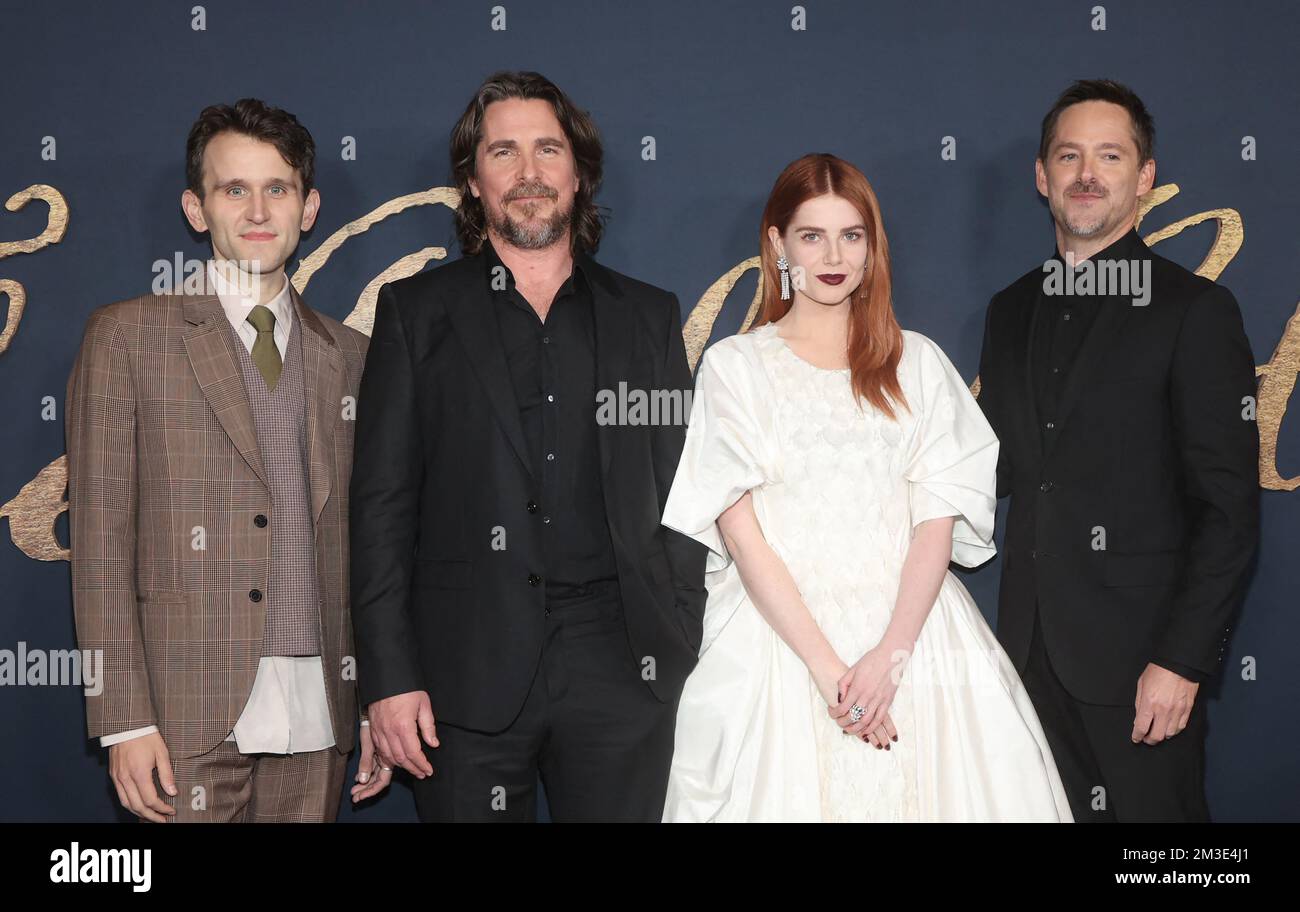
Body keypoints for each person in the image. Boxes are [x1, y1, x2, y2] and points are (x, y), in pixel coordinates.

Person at [660, 153, 1071, 822]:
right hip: (777, 647)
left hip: (914, 643)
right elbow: (741, 534)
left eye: (851, 235)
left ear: (872, 246)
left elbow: (936, 520)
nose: (833, 254)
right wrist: (830, 674)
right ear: (777, 243)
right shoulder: (734, 369)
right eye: (811, 235)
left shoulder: (920, 364)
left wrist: (889, 659)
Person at [348, 71, 706, 821]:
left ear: (578, 176)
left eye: (548, 149)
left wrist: (680, 639)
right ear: (473, 182)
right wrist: (388, 676)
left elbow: (683, 491)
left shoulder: (647, 317)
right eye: (503, 152)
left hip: (620, 671)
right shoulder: (416, 314)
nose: (529, 172)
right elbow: (381, 507)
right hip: (459, 678)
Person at [66, 99, 371, 822]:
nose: (258, 210)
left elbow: (371, 542)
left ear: (310, 206)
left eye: (278, 188)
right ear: (196, 210)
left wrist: (371, 698)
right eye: (234, 189)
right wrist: (125, 718)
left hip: (319, 706)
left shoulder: (352, 356)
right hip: (182, 712)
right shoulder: (128, 337)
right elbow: (101, 541)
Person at [976, 79, 1259, 821]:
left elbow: (1228, 507)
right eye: (1068, 156)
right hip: (1028, 656)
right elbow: (999, 468)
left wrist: (1183, 660)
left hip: (1143, 668)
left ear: (1145, 177)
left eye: (1110, 155)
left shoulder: (1194, 311)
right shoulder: (1009, 311)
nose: (1086, 174)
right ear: (1042, 176)